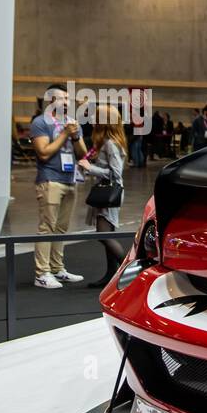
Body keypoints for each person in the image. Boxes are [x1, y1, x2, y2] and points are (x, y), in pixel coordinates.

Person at [29, 84, 87, 288]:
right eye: (62, 98)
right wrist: (64, 134)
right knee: (47, 228)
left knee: (61, 228)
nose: (67, 102)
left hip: (70, 180)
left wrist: (76, 135)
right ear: (51, 101)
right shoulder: (40, 123)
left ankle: (57, 268)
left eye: (68, 99)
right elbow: (43, 152)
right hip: (50, 180)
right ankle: (42, 274)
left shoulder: (70, 122)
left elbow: (83, 153)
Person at [78, 106, 128, 288]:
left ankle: (130, 271)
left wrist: (90, 168)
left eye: (96, 116)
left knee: (104, 234)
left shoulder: (110, 144)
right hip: (106, 193)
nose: (92, 119)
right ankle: (111, 274)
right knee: (107, 234)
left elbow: (116, 174)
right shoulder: (107, 141)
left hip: (109, 194)